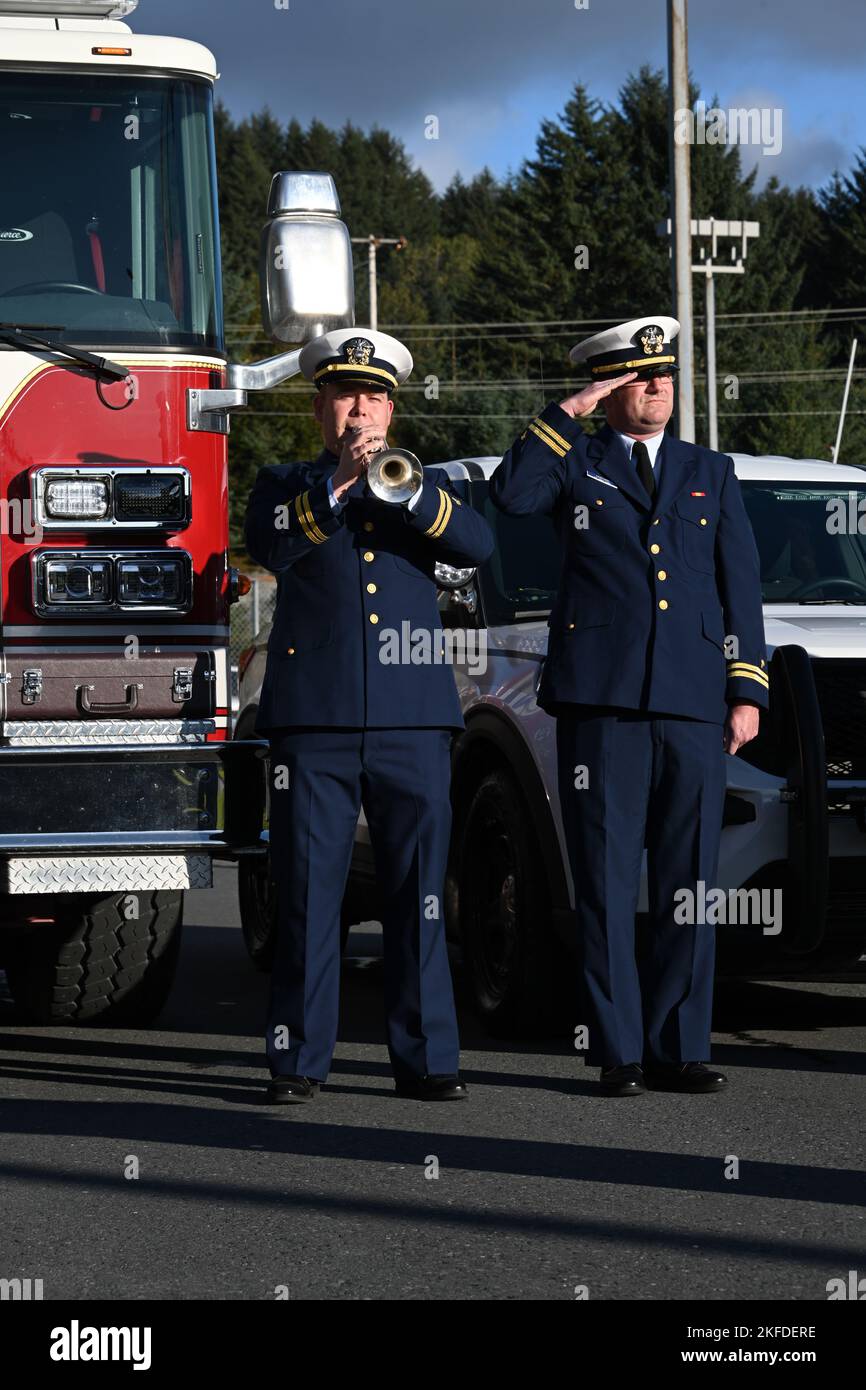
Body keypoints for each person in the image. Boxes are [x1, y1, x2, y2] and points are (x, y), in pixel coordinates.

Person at [490, 317, 768, 1097]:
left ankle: (681, 1046)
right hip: (603, 703)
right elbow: (511, 496)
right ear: (610, 387)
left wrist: (746, 690)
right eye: (639, 377)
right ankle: (617, 1050)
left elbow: (738, 588)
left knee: (687, 880)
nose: (657, 388)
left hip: (690, 704)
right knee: (607, 881)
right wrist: (570, 410)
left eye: (666, 376)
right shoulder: (578, 465)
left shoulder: (710, 468)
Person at [244, 328, 494, 1104]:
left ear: (392, 408)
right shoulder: (284, 483)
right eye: (348, 395)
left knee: (418, 892)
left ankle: (426, 1060)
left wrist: (406, 492)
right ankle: (297, 1061)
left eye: (377, 396)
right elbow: (270, 546)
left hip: (413, 719)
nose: (362, 410)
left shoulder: (425, 484)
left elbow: (479, 544)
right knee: (308, 891)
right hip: (313, 720)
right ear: (321, 406)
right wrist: (341, 490)